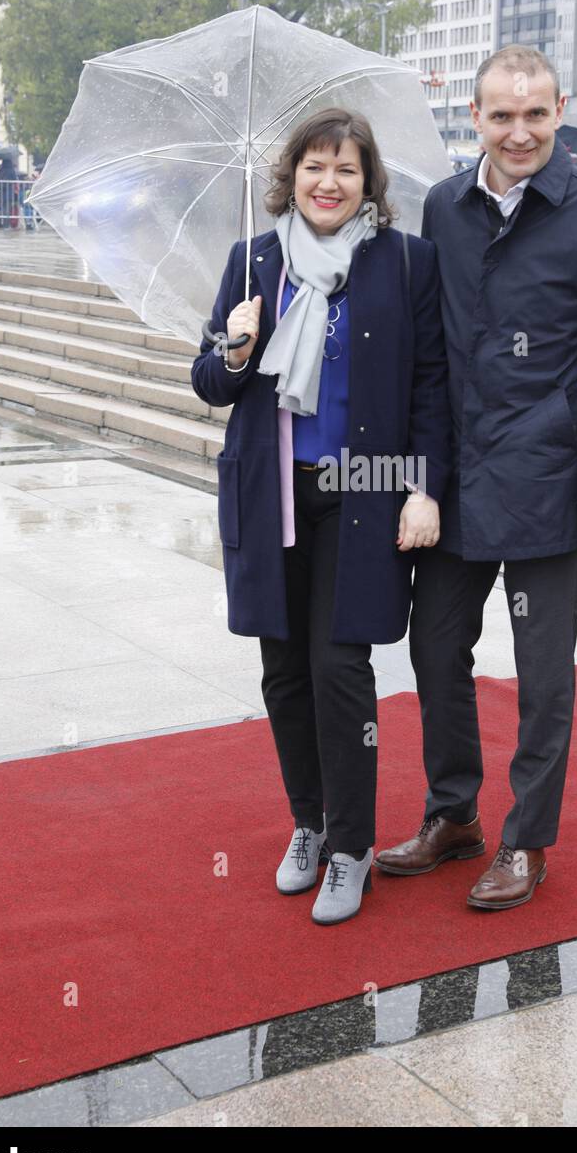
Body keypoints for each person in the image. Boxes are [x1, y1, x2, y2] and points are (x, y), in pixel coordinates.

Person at [374, 44, 577, 909]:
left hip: (548, 483)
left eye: (535, 114)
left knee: (543, 675)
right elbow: (430, 349)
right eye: (502, 115)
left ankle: (527, 841)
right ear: (475, 119)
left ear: (558, 110)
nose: (519, 131)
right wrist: (420, 477)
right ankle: (454, 815)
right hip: (457, 480)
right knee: (435, 648)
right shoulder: (445, 208)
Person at [190, 108, 451, 926]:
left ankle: (350, 846)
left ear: (368, 181)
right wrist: (234, 349)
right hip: (272, 493)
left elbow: (433, 387)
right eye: (313, 167)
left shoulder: (404, 264)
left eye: (345, 169)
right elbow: (210, 382)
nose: (328, 183)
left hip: (365, 494)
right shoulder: (254, 262)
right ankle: (306, 824)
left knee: (341, 671)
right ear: (291, 177)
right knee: (283, 673)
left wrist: (425, 485)